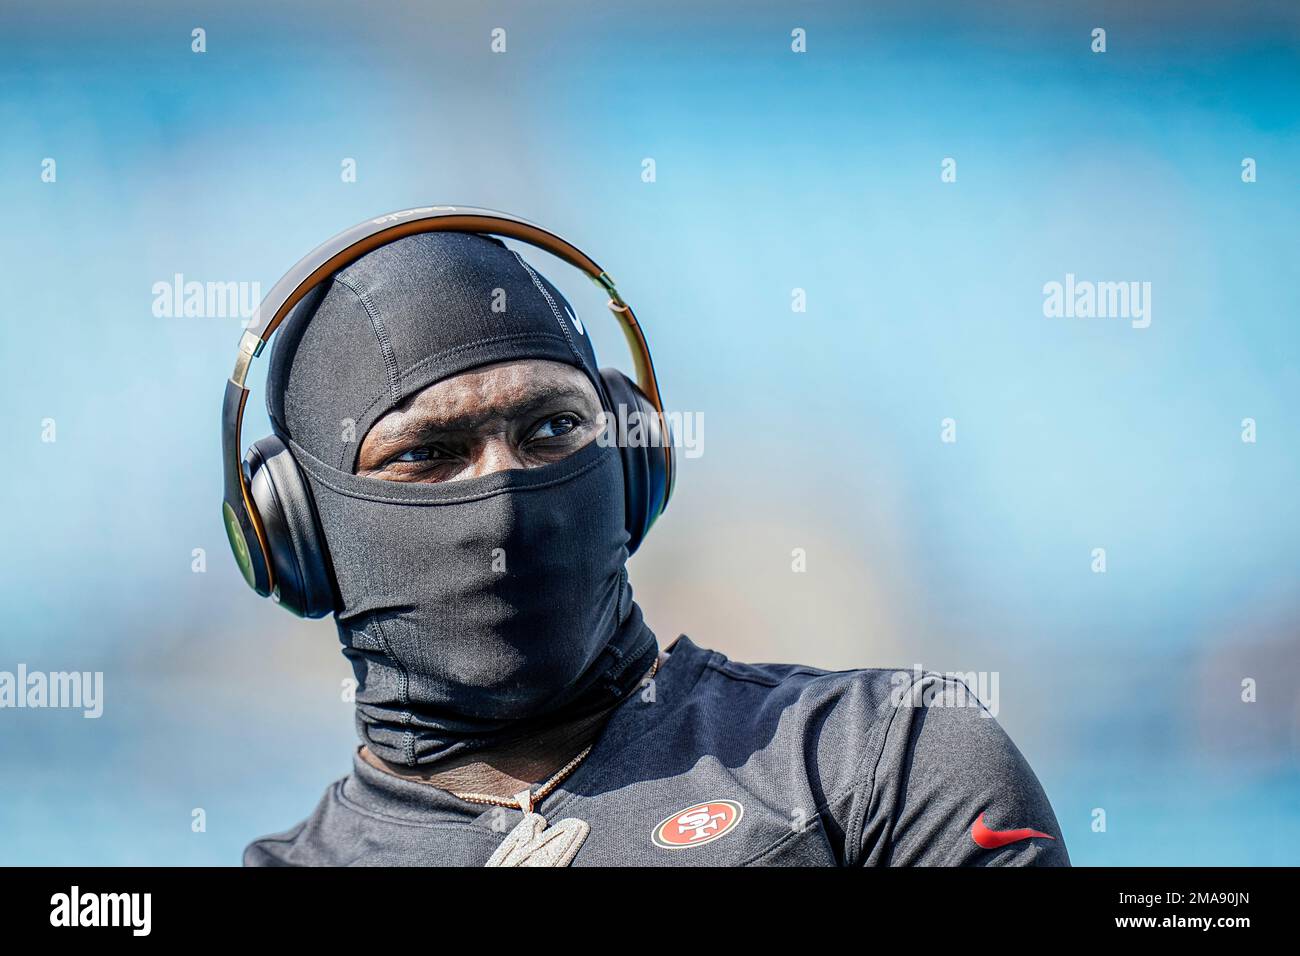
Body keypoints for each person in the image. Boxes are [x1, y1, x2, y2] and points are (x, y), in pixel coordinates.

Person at [239, 226, 1068, 866]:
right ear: (297, 538)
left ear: (635, 462)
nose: (502, 502)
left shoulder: (883, 759)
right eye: (427, 454)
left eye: (553, 428)